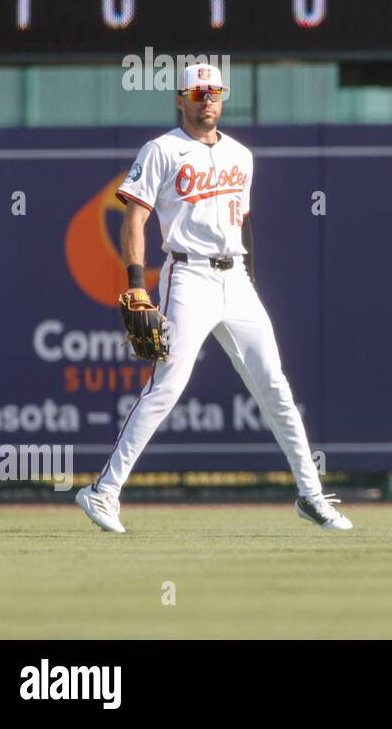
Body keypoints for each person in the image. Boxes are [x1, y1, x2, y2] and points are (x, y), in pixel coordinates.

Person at [75, 63, 351, 533]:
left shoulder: (242, 156)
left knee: (276, 388)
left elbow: (242, 221)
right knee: (165, 389)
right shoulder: (161, 150)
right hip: (188, 275)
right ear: (180, 98)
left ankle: (310, 495)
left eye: (215, 92)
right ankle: (103, 491)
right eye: (199, 92)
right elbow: (135, 220)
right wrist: (138, 284)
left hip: (236, 277)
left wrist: (249, 278)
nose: (208, 100)